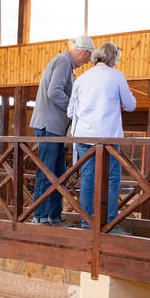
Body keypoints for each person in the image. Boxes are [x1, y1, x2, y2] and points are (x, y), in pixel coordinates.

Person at [67, 42, 135, 230]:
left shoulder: (81, 78)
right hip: (108, 137)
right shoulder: (117, 76)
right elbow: (130, 105)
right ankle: (110, 221)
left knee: (88, 178)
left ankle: (86, 222)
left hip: (83, 136)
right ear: (114, 59)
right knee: (112, 178)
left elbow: (70, 112)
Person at [29, 35, 95, 225]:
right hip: (49, 126)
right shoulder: (64, 62)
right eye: (86, 59)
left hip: (53, 126)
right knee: (48, 171)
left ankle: (52, 215)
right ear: (84, 53)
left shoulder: (64, 63)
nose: (84, 64)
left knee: (58, 172)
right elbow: (54, 91)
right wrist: (73, 109)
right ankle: (40, 215)